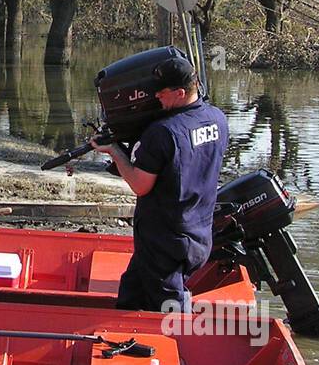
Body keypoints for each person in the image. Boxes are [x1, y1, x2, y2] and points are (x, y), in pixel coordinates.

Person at [92, 55, 227, 313]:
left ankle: (181, 349)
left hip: (165, 241)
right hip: (198, 233)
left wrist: (115, 152)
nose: (156, 97)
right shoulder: (217, 119)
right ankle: (126, 333)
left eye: (162, 92)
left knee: (170, 313)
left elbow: (140, 185)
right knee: (131, 294)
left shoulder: (163, 132)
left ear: (180, 92)